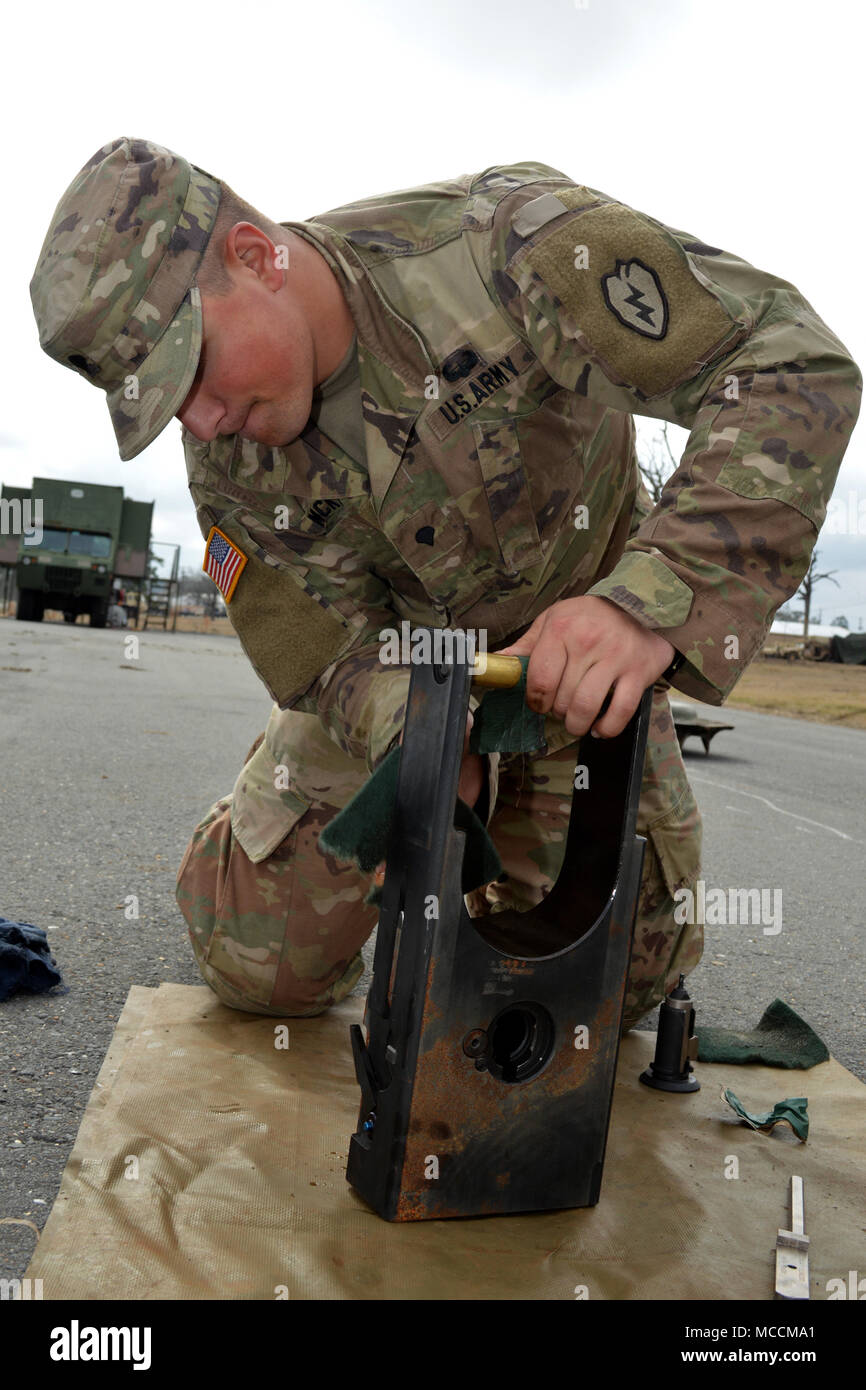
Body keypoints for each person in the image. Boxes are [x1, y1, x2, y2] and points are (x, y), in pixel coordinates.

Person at [30, 139, 861, 1028]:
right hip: (402, 687)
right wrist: (417, 734)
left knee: (600, 996)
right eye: (159, 401)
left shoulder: (505, 244)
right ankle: (264, 819)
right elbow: (322, 646)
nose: (200, 417)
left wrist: (652, 597)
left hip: (576, 682)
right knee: (256, 971)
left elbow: (785, 365)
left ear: (254, 255)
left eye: (190, 368)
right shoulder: (225, 454)